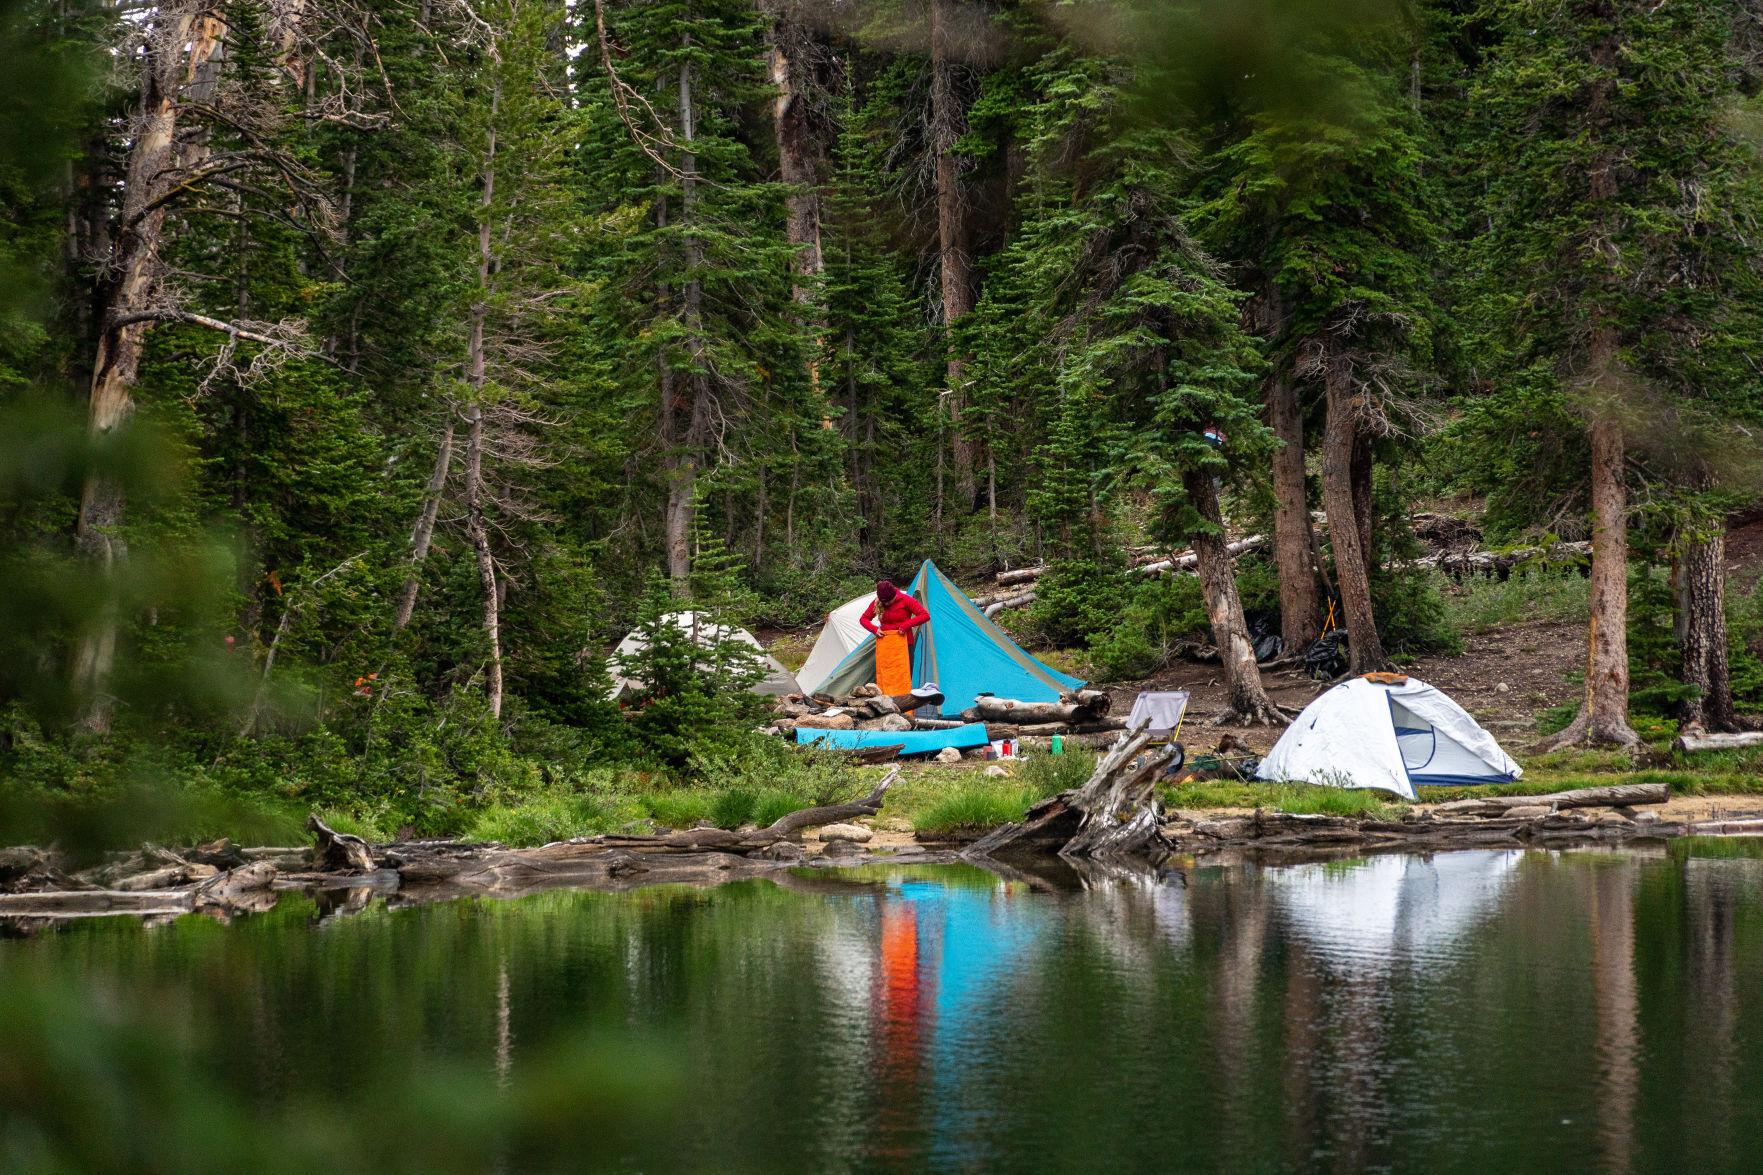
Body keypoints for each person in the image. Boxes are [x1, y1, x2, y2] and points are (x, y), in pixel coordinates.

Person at [860, 579, 928, 697]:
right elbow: (863, 619)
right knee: (886, 675)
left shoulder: (906, 600)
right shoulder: (878, 602)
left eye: (889, 601)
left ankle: (905, 703)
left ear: (894, 595)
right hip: (885, 645)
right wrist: (875, 629)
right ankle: (885, 702)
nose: (886, 604)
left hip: (905, 644)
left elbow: (925, 615)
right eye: (884, 602)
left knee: (903, 676)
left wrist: (906, 625)